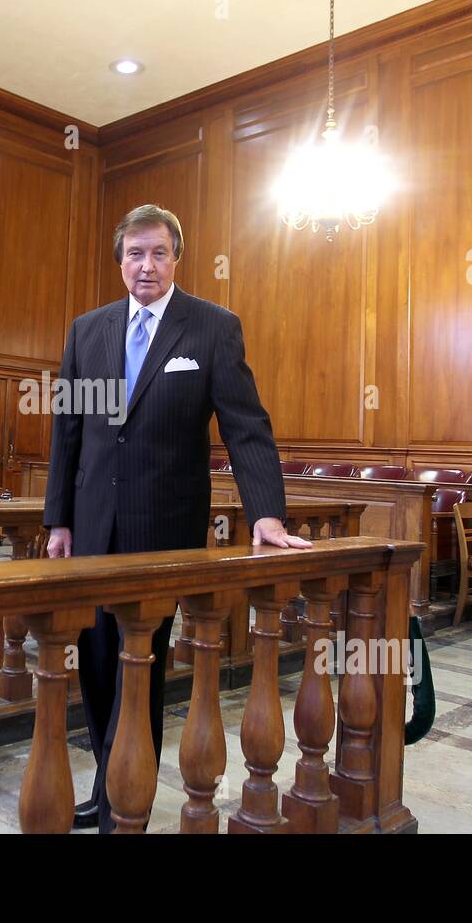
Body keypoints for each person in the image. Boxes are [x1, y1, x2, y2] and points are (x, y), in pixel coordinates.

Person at [43, 203, 312, 833]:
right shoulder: (89, 331)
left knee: (144, 664)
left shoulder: (211, 329)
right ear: (120, 262)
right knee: (96, 660)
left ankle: (122, 802)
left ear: (176, 259)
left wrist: (266, 514)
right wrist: (59, 519)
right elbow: (70, 431)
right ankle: (108, 782)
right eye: (135, 253)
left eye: (158, 253)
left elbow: (246, 428)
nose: (146, 265)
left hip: (162, 531)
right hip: (91, 525)